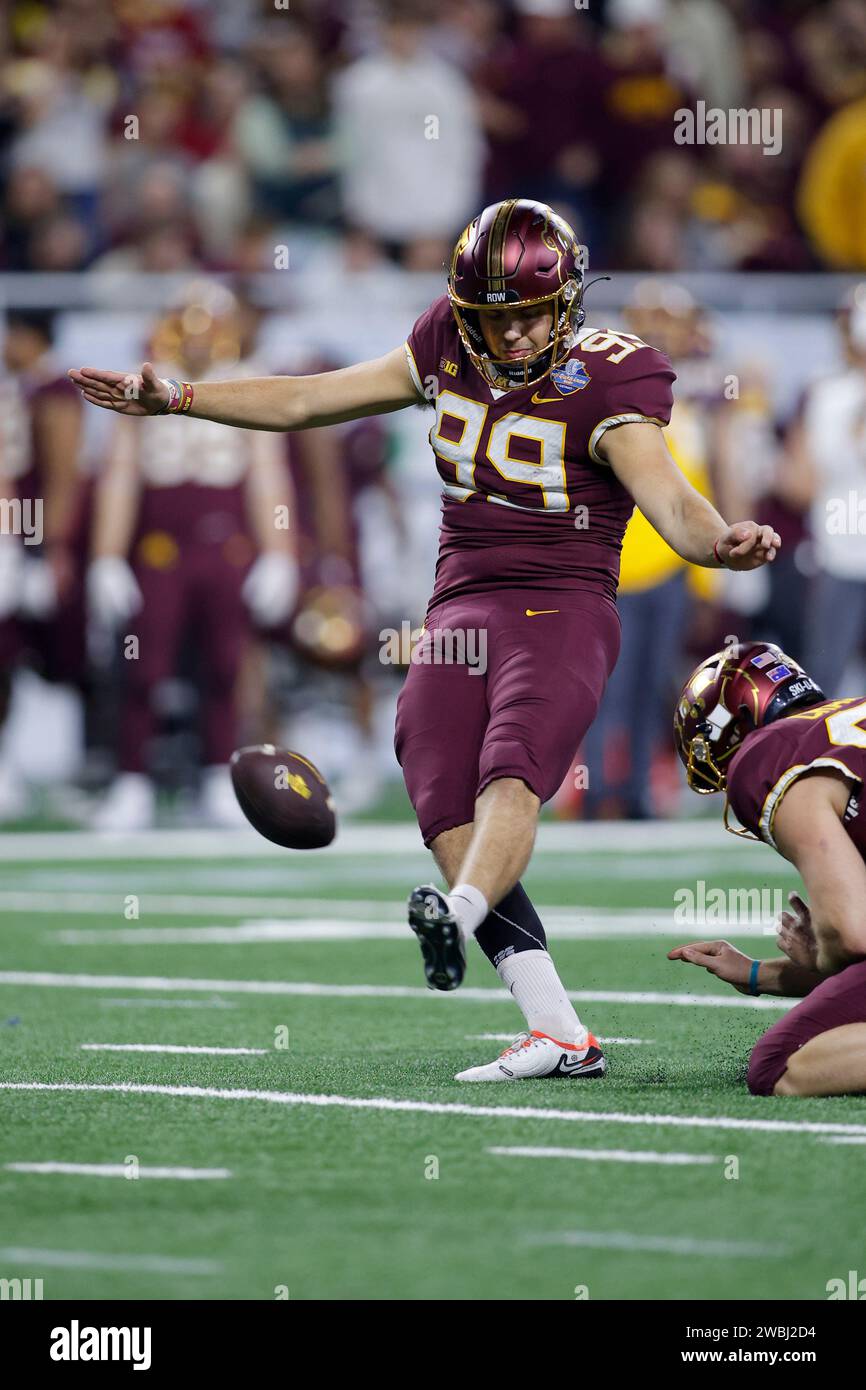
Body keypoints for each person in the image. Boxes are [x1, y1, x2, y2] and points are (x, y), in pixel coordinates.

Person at [69, 197, 779, 1081]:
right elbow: (311, 400)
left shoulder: (611, 375)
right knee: (439, 789)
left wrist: (723, 543)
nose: (515, 335)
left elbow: (673, 504)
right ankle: (557, 1031)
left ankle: (461, 908)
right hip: (459, 604)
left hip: (561, 602)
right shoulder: (446, 338)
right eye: (497, 316)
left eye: (530, 313)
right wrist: (180, 397)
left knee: (511, 767)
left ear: (567, 301)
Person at [670, 640, 866, 1097]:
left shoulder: (768, 755)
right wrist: (759, 974)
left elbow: (853, 936)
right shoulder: (849, 713)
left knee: (778, 1066)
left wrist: (824, 950)